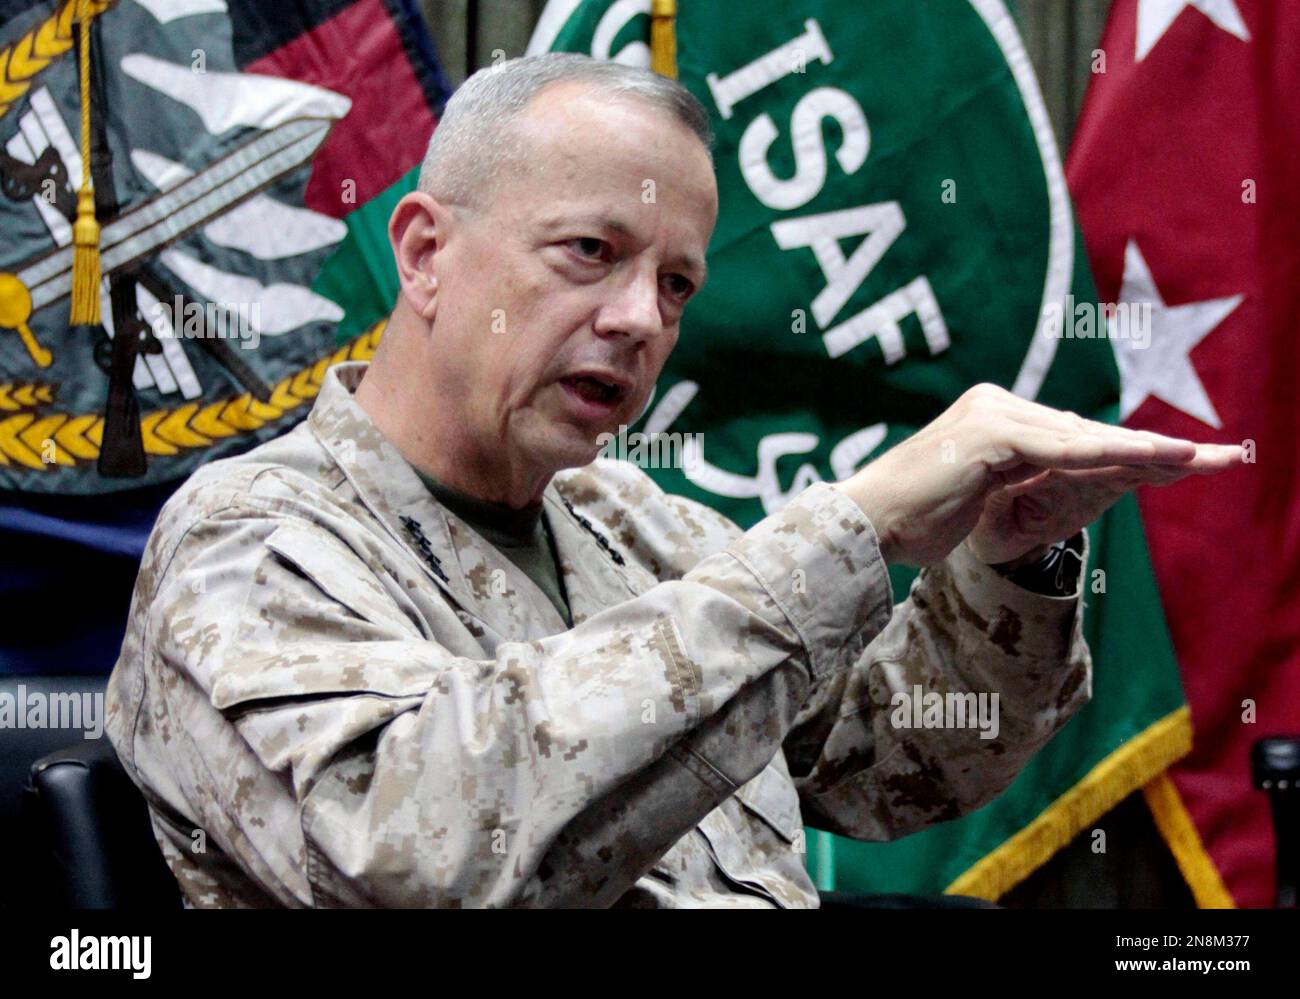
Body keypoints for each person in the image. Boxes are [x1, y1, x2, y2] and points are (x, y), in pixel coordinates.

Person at [104, 53, 1240, 908]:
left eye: (678, 285)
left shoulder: (632, 527)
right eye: (589, 253)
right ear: (422, 251)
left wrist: (1014, 552)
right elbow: (412, 856)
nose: (640, 319)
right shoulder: (250, 542)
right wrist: (852, 528)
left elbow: (888, 769)